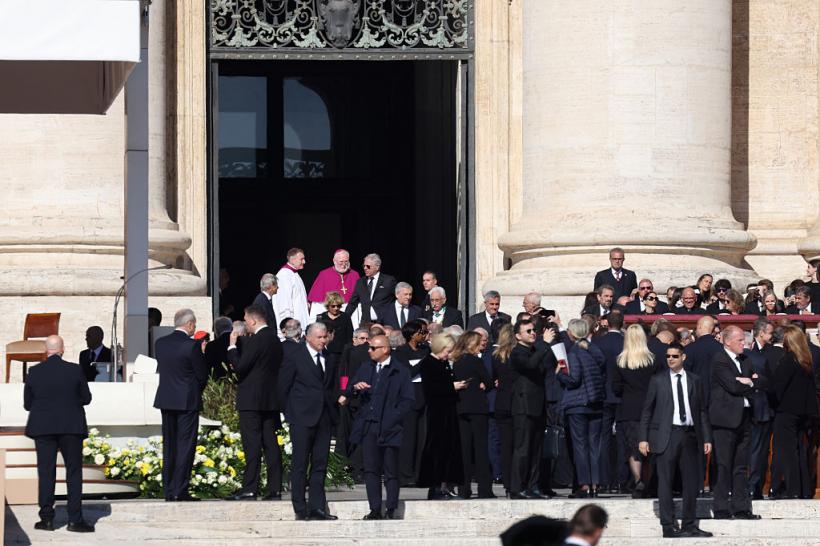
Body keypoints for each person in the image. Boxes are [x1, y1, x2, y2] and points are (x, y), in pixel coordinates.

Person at [638, 342, 713, 538]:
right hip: (667, 435)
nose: (670, 359)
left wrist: (707, 437)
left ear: (683, 357)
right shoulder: (658, 380)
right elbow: (647, 411)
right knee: (665, 482)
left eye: (675, 356)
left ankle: (689, 525)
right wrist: (643, 438)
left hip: (690, 435)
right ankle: (668, 525)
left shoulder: (695, 380)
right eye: (668, 356)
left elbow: (702, 411)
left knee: (691, 483)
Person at [25, 335, 93, 533]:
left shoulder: (34, 371)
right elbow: (86, 398)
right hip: (71, 426)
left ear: (46, 351)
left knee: (46, 472)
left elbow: (28, 404)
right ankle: (75, 520)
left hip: (43, 427)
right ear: (62, 350)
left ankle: (46, 519)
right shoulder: (75, 370)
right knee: (73, 472)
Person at [345, 334, 414, 519]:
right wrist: (355, 388)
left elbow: (408, 400)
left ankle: (391, 507)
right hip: (370, 424)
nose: (369, 351)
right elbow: (349, 389)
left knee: (391, 469)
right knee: (371, 469)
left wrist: (394, 416)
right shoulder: (366, 367)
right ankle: (374, 508)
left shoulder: (400, 370)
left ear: (385, 349)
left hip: (391, 426)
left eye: (373, 348)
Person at [278, 322, 340, 520]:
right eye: (319, 337)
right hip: (302, 417)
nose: (323, 340)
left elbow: (331, 385)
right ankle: (300, 507)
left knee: (320, 463)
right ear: (308, 337)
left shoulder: (329, 357)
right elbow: (283, 387)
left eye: (325, 337)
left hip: (324, 417)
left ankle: (317, 507)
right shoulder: (295, 356)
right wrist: (290, 413)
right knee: (300, 463)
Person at [224, 305, 284, 501]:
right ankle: (275, 488)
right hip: (270, 399)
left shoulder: (258, 340)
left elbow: (241, 366)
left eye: (246, 320)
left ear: (253, 320)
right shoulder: (275, 339)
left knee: (252, 445)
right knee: (270, 444)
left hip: (251, 399)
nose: (246, 324)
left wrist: (232, 347)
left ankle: (250, 488)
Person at [709, 325, 765, 520]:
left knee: (741, 466)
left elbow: (762, 382)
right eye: (740, 340)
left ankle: (741, 508)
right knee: (723, 464)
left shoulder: (746, 359)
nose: (744, 343)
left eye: (744, 339)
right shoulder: (719, 359)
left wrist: (749, 381)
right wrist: (749, 382)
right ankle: (721, 508)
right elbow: (732, 386)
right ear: (727, 342)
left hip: (745, 417)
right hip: (725, 420)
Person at [153, 309, 208, 502]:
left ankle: (169, 488)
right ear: (190, 324)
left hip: (166, 399)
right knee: (185, 446)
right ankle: (179, 489)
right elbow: (202, 375)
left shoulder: (160, 343)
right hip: (187, 400)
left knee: (170, 445)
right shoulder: (192, 346)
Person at [558, 319, 606, 498]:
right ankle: (595, 484)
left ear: (572, 333)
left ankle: (584, 485)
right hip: (596, 403)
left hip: (578, 404)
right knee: (595, 446)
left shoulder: (574, 352)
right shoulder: (595, 350)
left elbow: (574, 379)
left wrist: (560, 374)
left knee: (580, 446)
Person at [509, 319, 557, 499]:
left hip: (538, 405)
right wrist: (544, 344)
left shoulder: (535, 350)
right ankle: (517, 487)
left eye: (533, 330)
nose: (532, 333)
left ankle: (533, 485)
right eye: (528, 331)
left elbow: (543, 367)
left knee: (536, 450)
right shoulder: (517, 352)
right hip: (524, 407)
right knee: (523, 449)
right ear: (517, 335)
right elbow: (529, 365)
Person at [772, 325, 820, 498]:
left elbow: (777, 387)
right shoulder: (805, 360)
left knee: (787, 452)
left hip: (787, 412)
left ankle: (792, 490)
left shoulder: (788, 360)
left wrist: (759, 383)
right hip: (803, 413)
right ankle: (803, 490)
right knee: (799, 450)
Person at [417, 333, 465, 500]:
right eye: (447, 351)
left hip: (448, 411)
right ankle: (435, 486)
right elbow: (431, 389)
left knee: (448, 449)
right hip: (437, 412)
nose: (449, 354)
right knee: (437, 449)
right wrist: (452, 387)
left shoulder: (443, 363)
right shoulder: (428, 363)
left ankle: (445, 484)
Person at [611, 324, 656, 498]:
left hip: (629, 409)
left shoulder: (620, 361)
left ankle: (638, 481)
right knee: (649, 449)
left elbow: (616, 388)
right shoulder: (653, 360)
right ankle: (647, 483)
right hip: (649, 408)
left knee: (633, 449)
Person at [451, 331, 495, 498]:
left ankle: (464, 488)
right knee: (481, 449)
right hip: (477, 408)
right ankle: (484, 489)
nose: (480, 346)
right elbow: (488, 381)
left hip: (462, 407)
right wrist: (484, 384)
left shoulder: (456, 361)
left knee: (465, 450)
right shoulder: (475, 361)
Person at [393, 320, 430, 487]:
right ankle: (405, 474)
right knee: (409, 438)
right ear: (413, 334)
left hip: (425, 397)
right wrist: (425, 362)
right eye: (422, 332)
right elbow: (408, 372)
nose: (425, 335)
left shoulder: (425, 350)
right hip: (410, 399)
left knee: (423, 438)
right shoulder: (400, 352)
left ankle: (419, 473)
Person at [590, 312, 624, 494]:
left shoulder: (598, 343)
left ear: (607, 324)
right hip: (622, 395)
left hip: (603, 395)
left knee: (603, 439)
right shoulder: (626, 343)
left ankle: (604, 480)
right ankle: (621, 480)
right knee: (622, 439)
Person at [346, 253, 397, 324]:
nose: (365, 268)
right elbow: (352, 303)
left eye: (368, 266)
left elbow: (398, 298)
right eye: (364, 266)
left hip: (384, 323)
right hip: (365, 323)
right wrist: (344, 318)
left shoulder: (388, 281)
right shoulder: (360, 282)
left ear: (377, 267)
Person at [274, 248, 310, 330]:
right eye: (301, 259)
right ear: (292, 260)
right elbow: (284, 301)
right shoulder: (284, 275)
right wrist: (288, 323)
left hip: (301, 320)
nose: (304, 262)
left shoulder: (294, 274)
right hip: (292, 325)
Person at [316, 291, 352, 357]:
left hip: (342, 353)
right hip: (326, 353)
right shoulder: (321, 317)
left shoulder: (346, 317)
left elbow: (349, 336)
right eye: (333, 306)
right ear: (328, 306)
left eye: (338, 306)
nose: (336, 308)